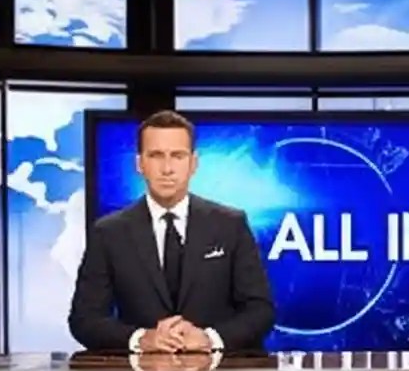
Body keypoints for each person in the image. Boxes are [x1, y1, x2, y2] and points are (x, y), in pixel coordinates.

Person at [68, 110, 275, 353]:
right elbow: (84, 320)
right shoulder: (110, 233)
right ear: (140, 164)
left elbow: (261, 311)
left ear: (193, 163)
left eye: (177, 156)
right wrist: (141, 339)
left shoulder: (230, 225)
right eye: (156, 156)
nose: (167, 168)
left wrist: (209, 339)